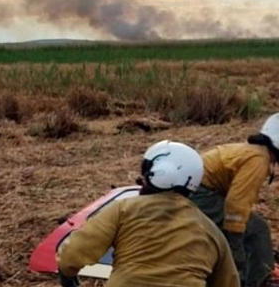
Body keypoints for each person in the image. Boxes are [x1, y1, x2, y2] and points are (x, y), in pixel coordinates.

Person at [57, 140, 239, 287]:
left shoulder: (123, 209)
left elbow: (71, 257)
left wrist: (68, 277)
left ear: (152, 173)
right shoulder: (211, 230)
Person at [189, 113, 279, 287]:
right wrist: (236, 241)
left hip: (196, 188)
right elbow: (236, 204)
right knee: (257, 230)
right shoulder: (258, 160)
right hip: (200, 193)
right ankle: (258, 281)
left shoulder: (254, 151)